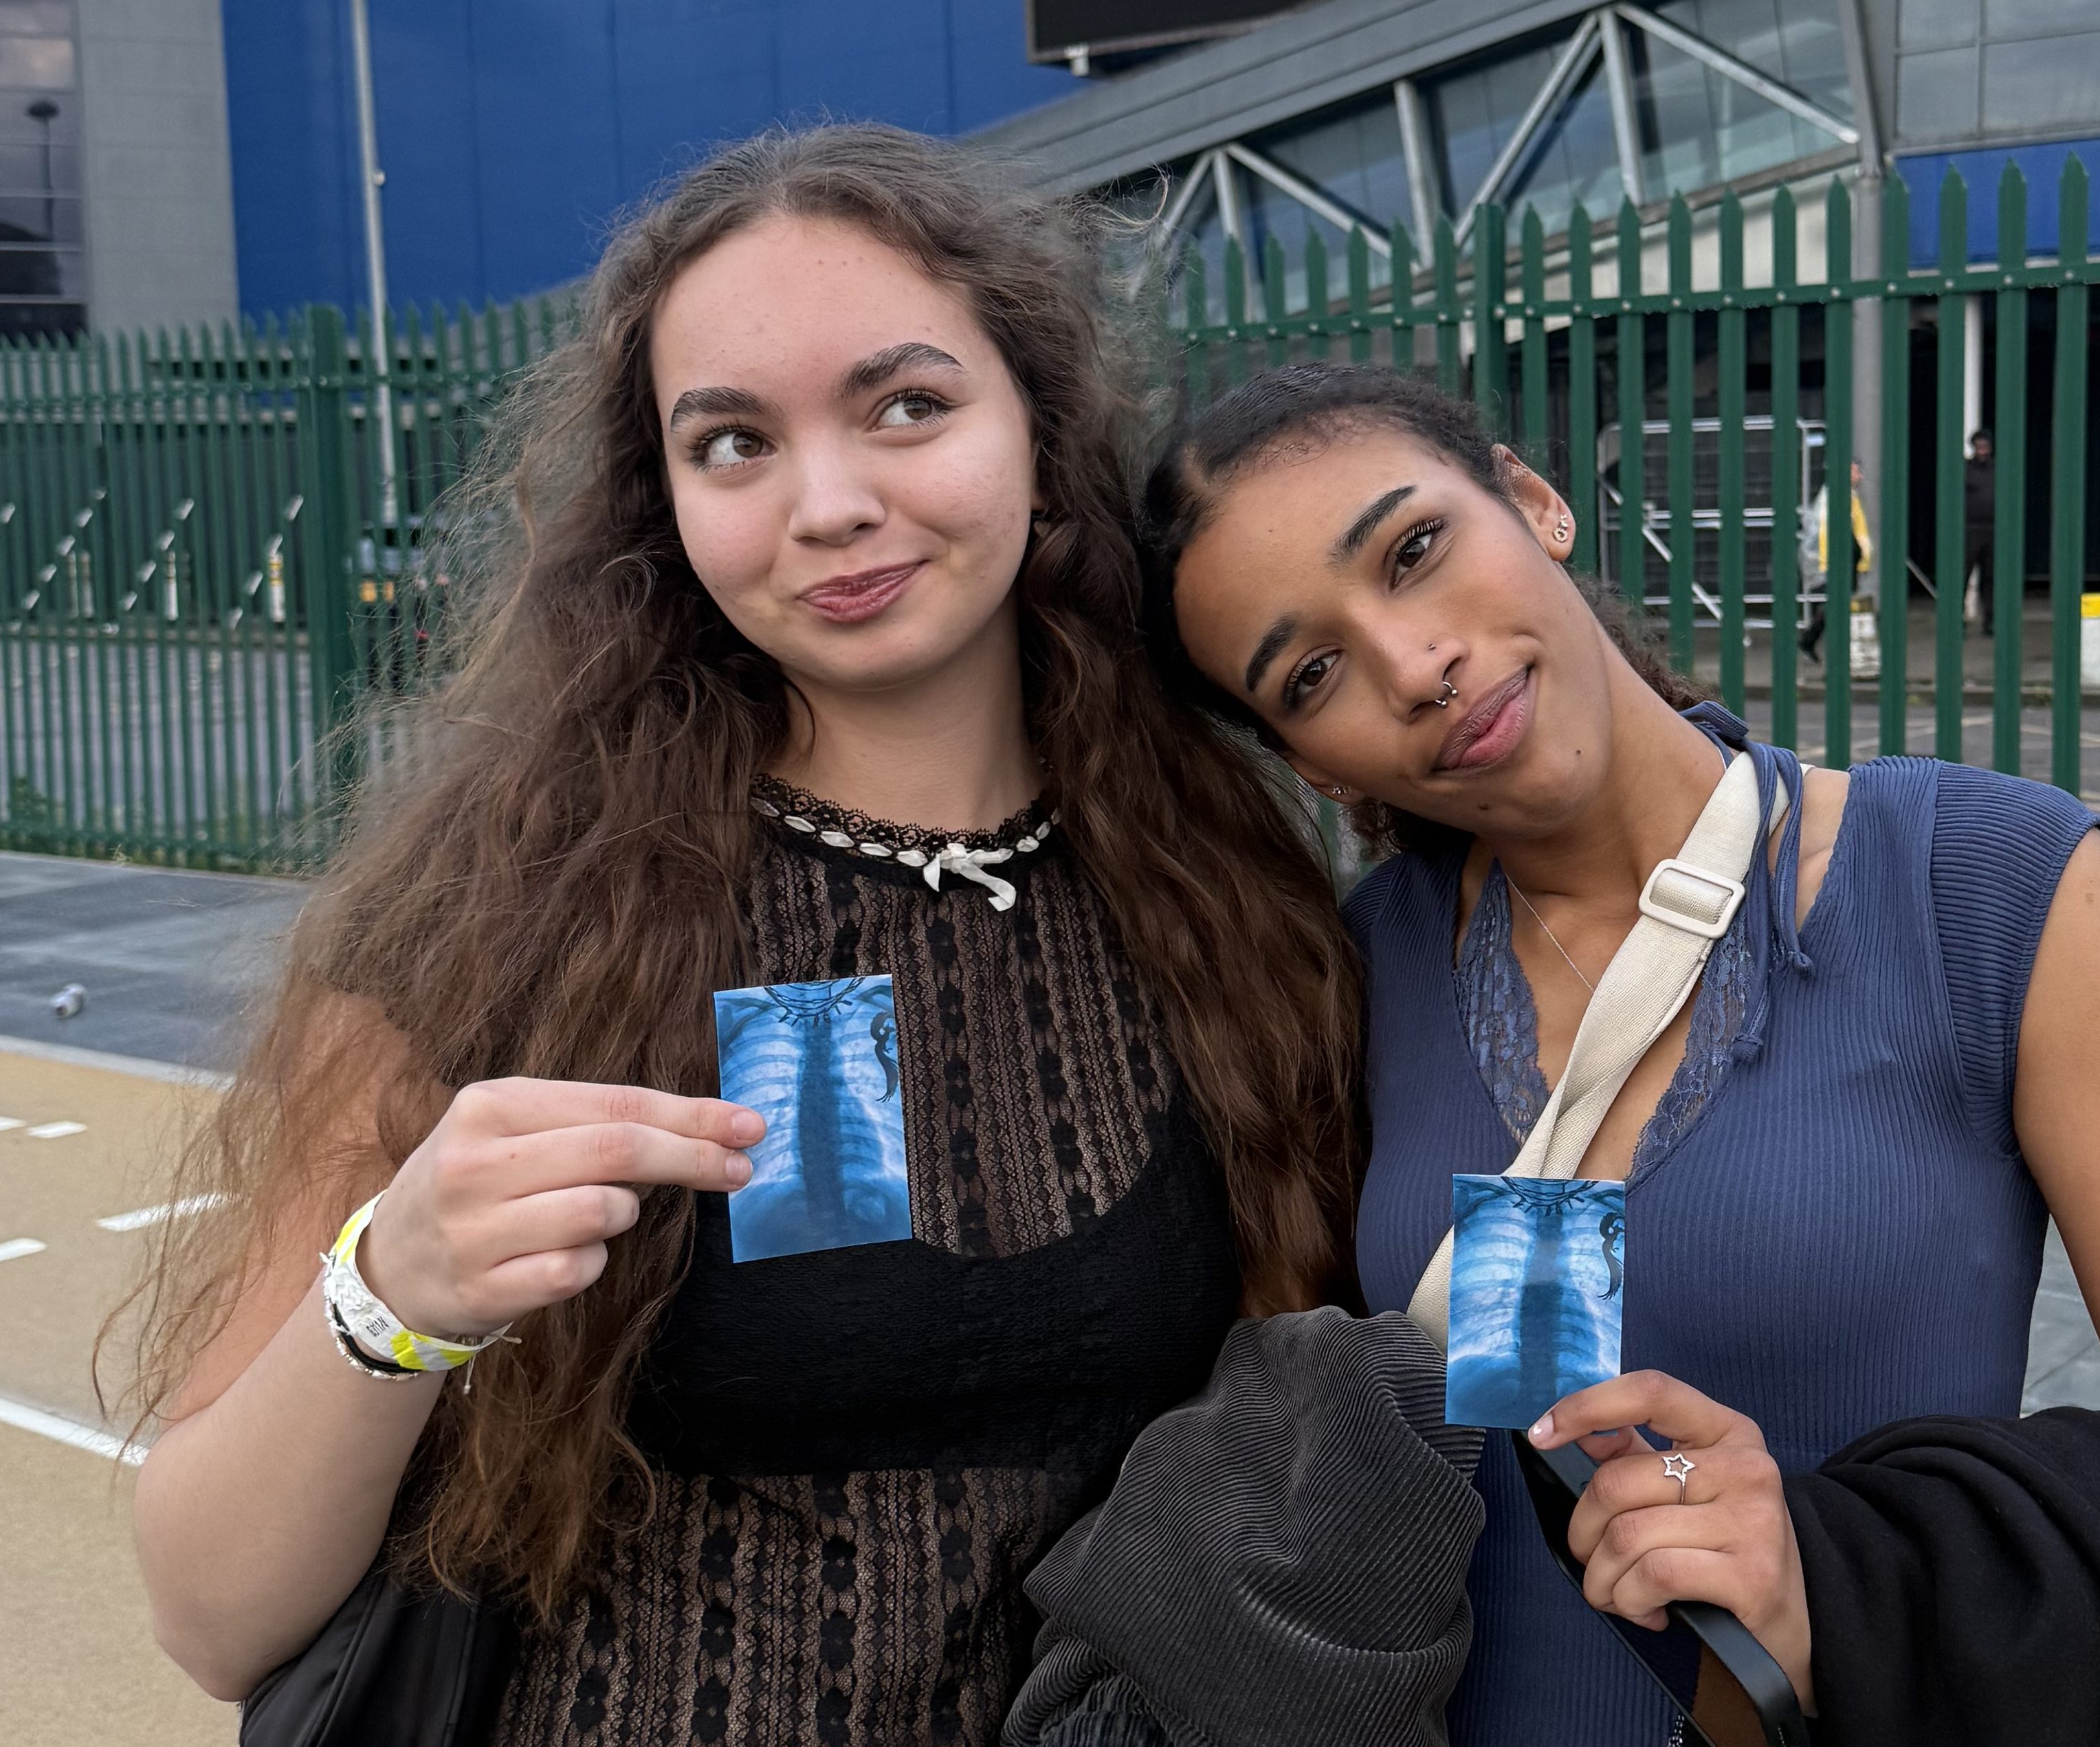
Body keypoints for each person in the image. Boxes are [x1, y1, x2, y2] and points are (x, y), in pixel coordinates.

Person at [113, 126, 1365, 1743]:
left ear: (1042, 433)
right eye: (734, 443)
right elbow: (212, 1614)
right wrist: (393, 1291)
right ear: (666, 499)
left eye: (906, 406)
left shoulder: (1229, 897)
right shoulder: (498, 919)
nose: (829, 505)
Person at [1136, 363, 2100, 1747]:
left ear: (1534, 502)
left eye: (1414, 549)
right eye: (1311, 673)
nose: (1415, 664)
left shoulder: (1988, 889)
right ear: (1310, 762)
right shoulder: (1360, 976)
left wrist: (1839, 1577)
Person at [1800, 459, 1871, 665]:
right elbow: (1827, 532)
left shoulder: (1846, 495)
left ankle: (1811, 641)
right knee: (1836, 606)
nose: (1860, 476)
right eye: (1856, 472)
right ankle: (1812, 642)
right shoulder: (1837, 497)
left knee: (1835, 605)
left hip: (1846, 560)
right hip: (1839, 562)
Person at [1964, 428, 2000, 636]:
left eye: (1985, 446)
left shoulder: (1997, 469)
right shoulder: (1967, 469)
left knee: (1991, 578)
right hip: (1971, 529)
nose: (1982, 450)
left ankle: (1990, 621)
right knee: (1963, 575)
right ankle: (1958, 619)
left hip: (1993, 530)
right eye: (1979, 446)